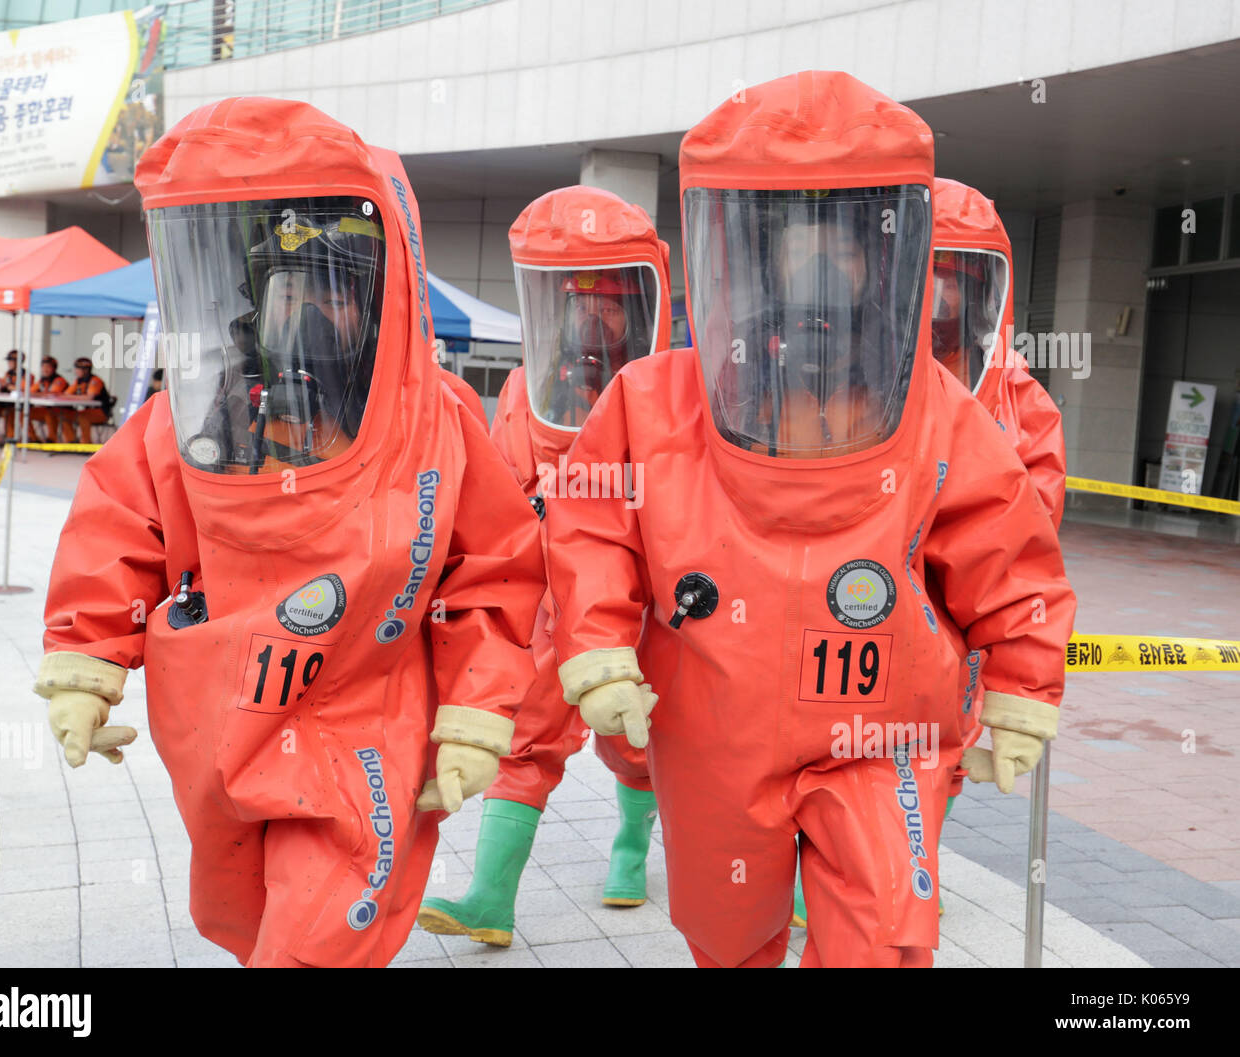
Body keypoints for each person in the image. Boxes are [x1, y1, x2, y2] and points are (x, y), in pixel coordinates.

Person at [544, 71, 1076, 968]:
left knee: (887, 931)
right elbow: (592, 525)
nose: (823, 268)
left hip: (883, 727)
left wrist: (1026, 683)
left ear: (885, 257)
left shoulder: (937, 411)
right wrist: (597, 646)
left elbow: (1007, 550)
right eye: (799, 240)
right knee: (726, 934)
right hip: (717, 727)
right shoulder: (655, 401)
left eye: (846, 242)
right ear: (753, 251)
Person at [33, 96, 546, 968]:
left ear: (379, 301)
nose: (305, 312)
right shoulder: (192, 424)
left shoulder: (440, 423)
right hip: (222, 733)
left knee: (312, 940)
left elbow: (492, 569)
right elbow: (119, 528)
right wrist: (88, 662)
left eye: (332, 292)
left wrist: (475, 709)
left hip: (365, 738)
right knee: (242, 921)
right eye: (287, 287)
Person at [416, 186, 670, 947]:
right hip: (556, 596)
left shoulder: (665, 388)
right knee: (526, 735)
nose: (593, 321)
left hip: (639, 599)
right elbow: (501, 485)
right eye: (575, 300)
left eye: (612, 303)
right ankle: (490, 897)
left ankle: (629, 845)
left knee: (632, 738)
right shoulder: (527, 387)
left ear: (642, 302)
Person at [929, 176, 1068, 898]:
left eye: (958, 279)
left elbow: (1036, 519)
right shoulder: (861, 372)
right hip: (871, 586)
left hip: (965, 608)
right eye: (930, 276)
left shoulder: (1019, 397)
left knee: (946, 739)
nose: (942, 298)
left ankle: (913, 865)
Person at [60, 356, 112, 445]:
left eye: (78, 369)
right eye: (75, 368)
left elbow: (89, 397)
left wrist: (72, 397)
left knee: (82, 417)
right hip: (86, 411)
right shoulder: (78, 381)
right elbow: (66, 394)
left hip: (101, 412)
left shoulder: (95, 380)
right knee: (64, 415)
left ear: (86, 370)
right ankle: (71, 442)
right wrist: (73, 396)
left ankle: (85, 444)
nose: (75, 371)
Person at [30, 356, 69, 444]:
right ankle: (32, 438)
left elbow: (52, 394)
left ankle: (52, 439)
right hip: (45, 409)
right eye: (43, 366)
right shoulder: (42, 380)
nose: (45, 369)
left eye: (48, 367)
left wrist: (38, 394)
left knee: (50, 413)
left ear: (54, 368)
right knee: (23, 412)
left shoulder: (59, 380)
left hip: (61, 410)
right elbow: (30, 392)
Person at [0, 350, 31, 442]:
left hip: (23, 405)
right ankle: (10, 437)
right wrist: (1, 386)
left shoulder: (26, 375)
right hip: (9, 403)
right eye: (9, 361)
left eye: (11, 361)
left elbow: (22, 389)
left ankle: (31, 437)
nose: (9, 363)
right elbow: (4, 387)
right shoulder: (8, 373)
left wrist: (7, 385)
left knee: (20, 413)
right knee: (5, 411)